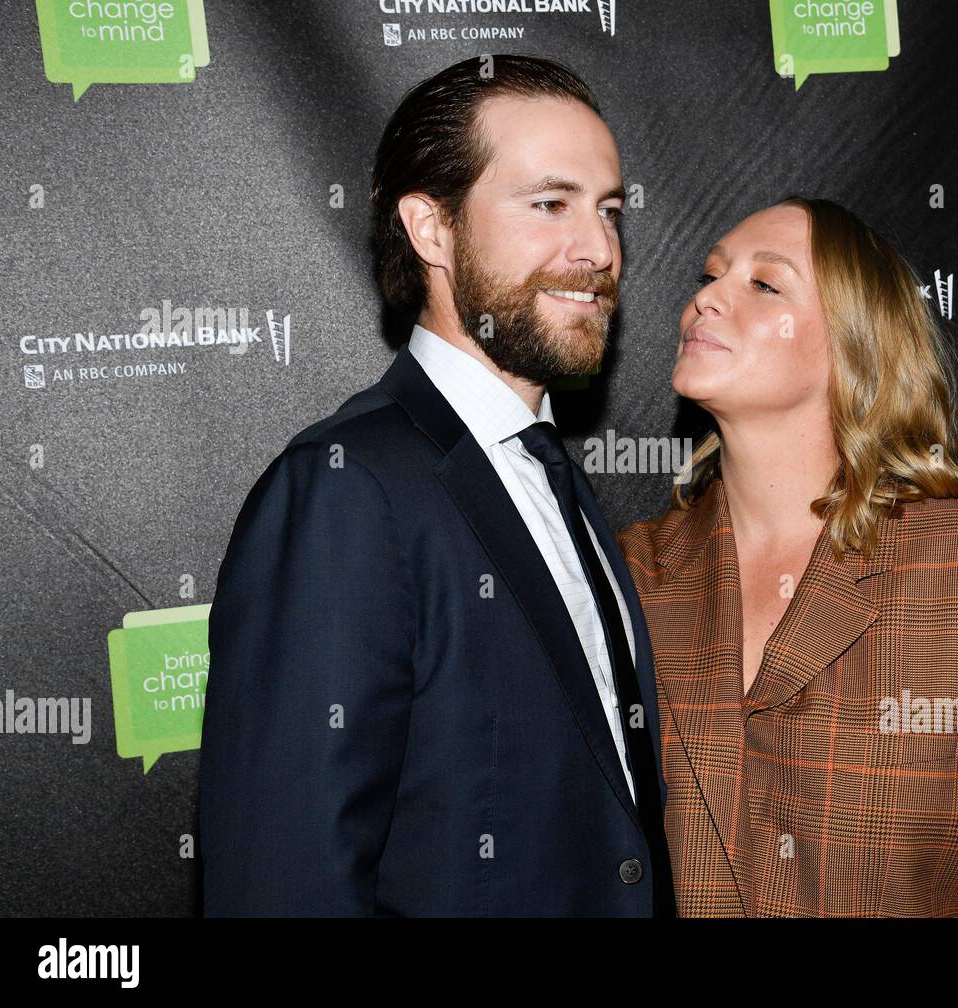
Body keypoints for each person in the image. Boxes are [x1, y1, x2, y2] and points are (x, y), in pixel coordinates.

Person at [199, 54, 672, 916]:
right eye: (550, 204)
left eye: (608, 212)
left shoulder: (551, 476)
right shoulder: (345, 491)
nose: (599, 248)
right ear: (432, 230)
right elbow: (285, 879)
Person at [618, 196, 958, 917]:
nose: (705, 299)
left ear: (855, 346)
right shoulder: (626, 574)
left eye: (765, 284)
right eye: (711, 275)